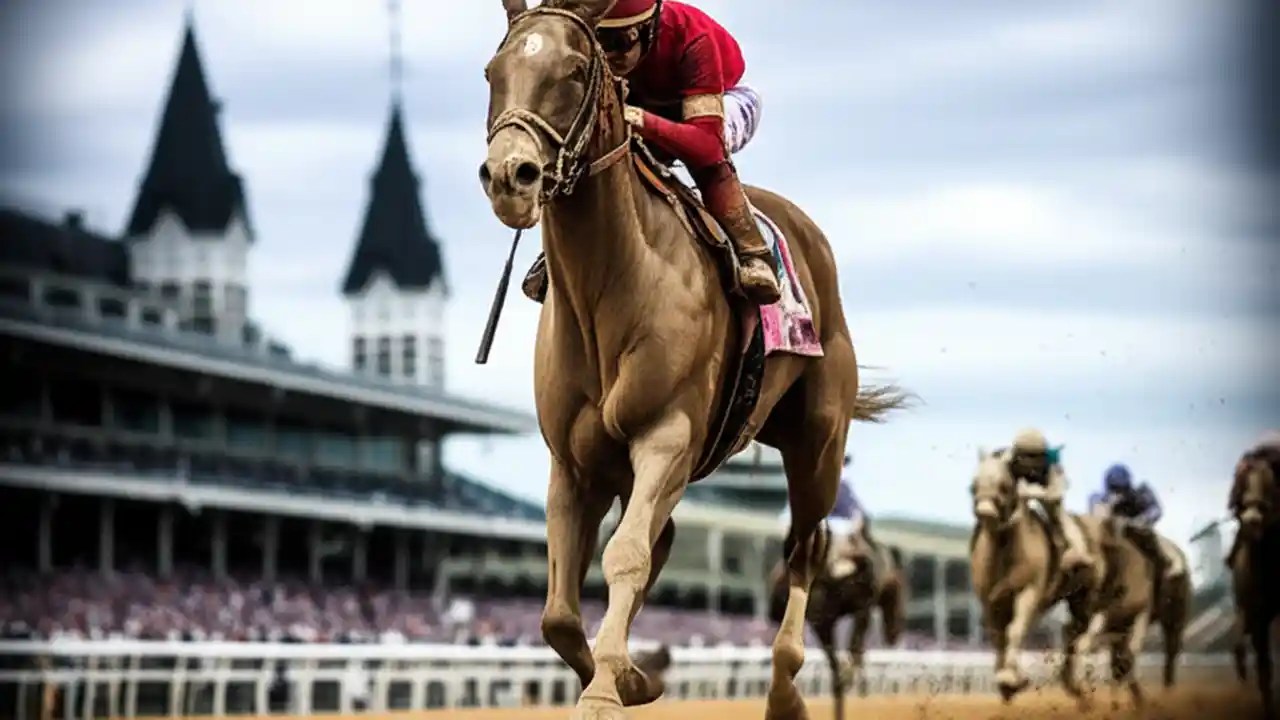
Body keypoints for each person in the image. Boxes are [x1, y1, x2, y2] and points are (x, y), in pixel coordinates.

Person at [521, 0, 781, 306]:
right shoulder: (601, 54)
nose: (608, 55)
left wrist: (642, 121)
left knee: (707, 160)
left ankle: (751, 250)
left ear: (649, 28)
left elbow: (706, 146)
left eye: (620, 43)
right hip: (644, 102)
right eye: (599, 41)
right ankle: (567, 253)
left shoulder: (693, 38)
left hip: (721, 97)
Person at [1007, 427, 1093, 570]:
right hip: (1016, 496)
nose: (1029, 463)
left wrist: (1035, 493)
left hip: (1046, 494)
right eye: (1025, 456)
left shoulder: (1052, 465)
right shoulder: (1007, 462)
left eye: (1034, 457)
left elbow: (1057, 494)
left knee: (1062, 517)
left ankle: (1079, 550)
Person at [1091, 463, 1182, 580]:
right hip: (1113, 533)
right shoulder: (1099, 498)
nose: (1118, 495)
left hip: (1139, 532)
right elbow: (1095, 515)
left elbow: (1156, 510)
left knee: (1154, 545)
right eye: (1115, 490)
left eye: (1121, 490)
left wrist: (1139, 521)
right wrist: (1108, 507)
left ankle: (1165, 570)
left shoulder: (1141, 493)